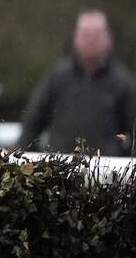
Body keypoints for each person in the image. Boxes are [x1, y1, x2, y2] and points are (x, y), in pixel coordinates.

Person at [17, 10, 136, 155]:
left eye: (96, 35)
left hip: (107, 171)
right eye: (86, 35)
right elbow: (32, 122)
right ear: (75, 40)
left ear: (109, 41)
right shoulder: (57, 78)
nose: (91, 40)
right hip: (59, 168)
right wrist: (23, 160)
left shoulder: (123, 83)